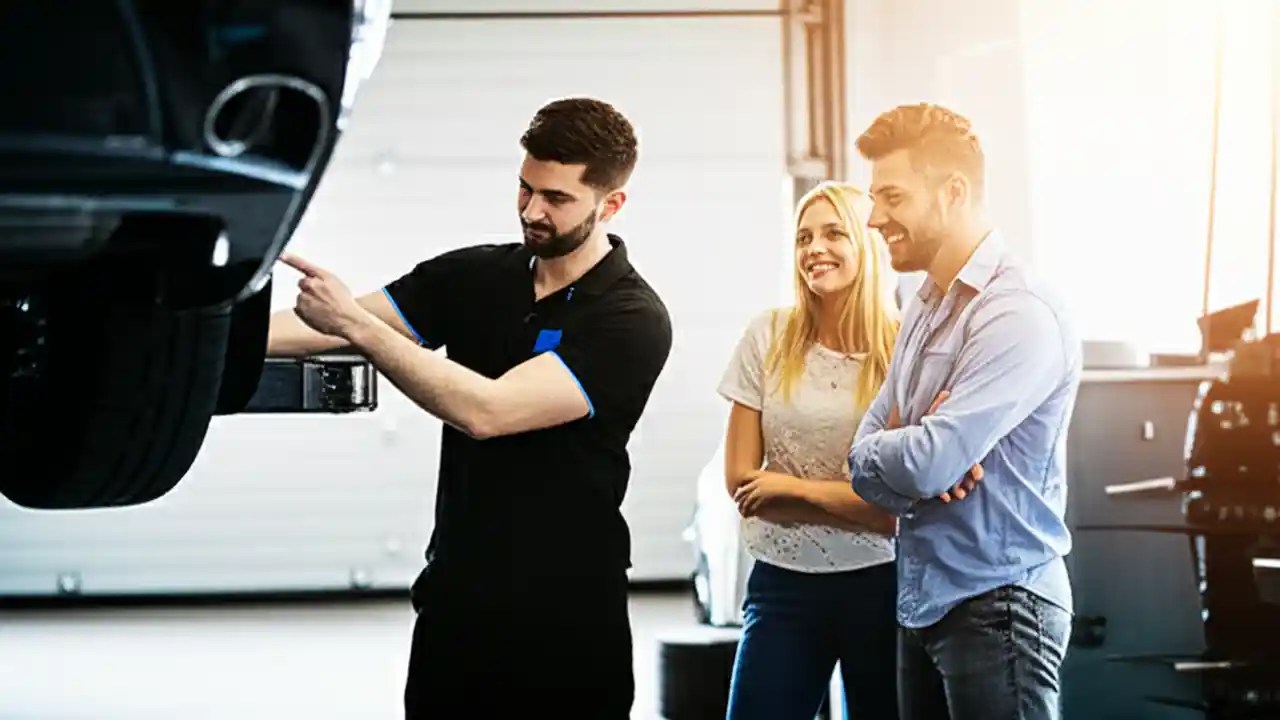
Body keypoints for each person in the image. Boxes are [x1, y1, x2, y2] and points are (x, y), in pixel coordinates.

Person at [266, 97, 672, 718]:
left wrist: (355, 324)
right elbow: (323, 327)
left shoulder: (631, 318)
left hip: (566, 621)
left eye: (557, 199)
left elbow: (488, 410)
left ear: (610, 204)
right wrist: (187, 339)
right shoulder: (474, 276)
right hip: (458, 601)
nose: (533, 211)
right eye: (525, 188)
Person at [846, 102, 1082, 720]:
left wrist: (917, 447)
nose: (874, 218)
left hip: (1000, 607)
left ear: (952, 192)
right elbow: (865, 455)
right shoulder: (924, 302)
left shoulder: (1017, 312)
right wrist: (910, 446)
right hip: (926, 599)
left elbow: (925, 465)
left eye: (892, 197)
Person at [715, 180, 902, 719]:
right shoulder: (767, 336)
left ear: (866, 244)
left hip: (882, 585)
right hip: (782, 584)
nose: (814, 249)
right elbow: (742, 483)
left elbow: (894, 513)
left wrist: (790, 491)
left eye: (833, 233)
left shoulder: (903, 346)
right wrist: (851, 504)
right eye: (803, 238)